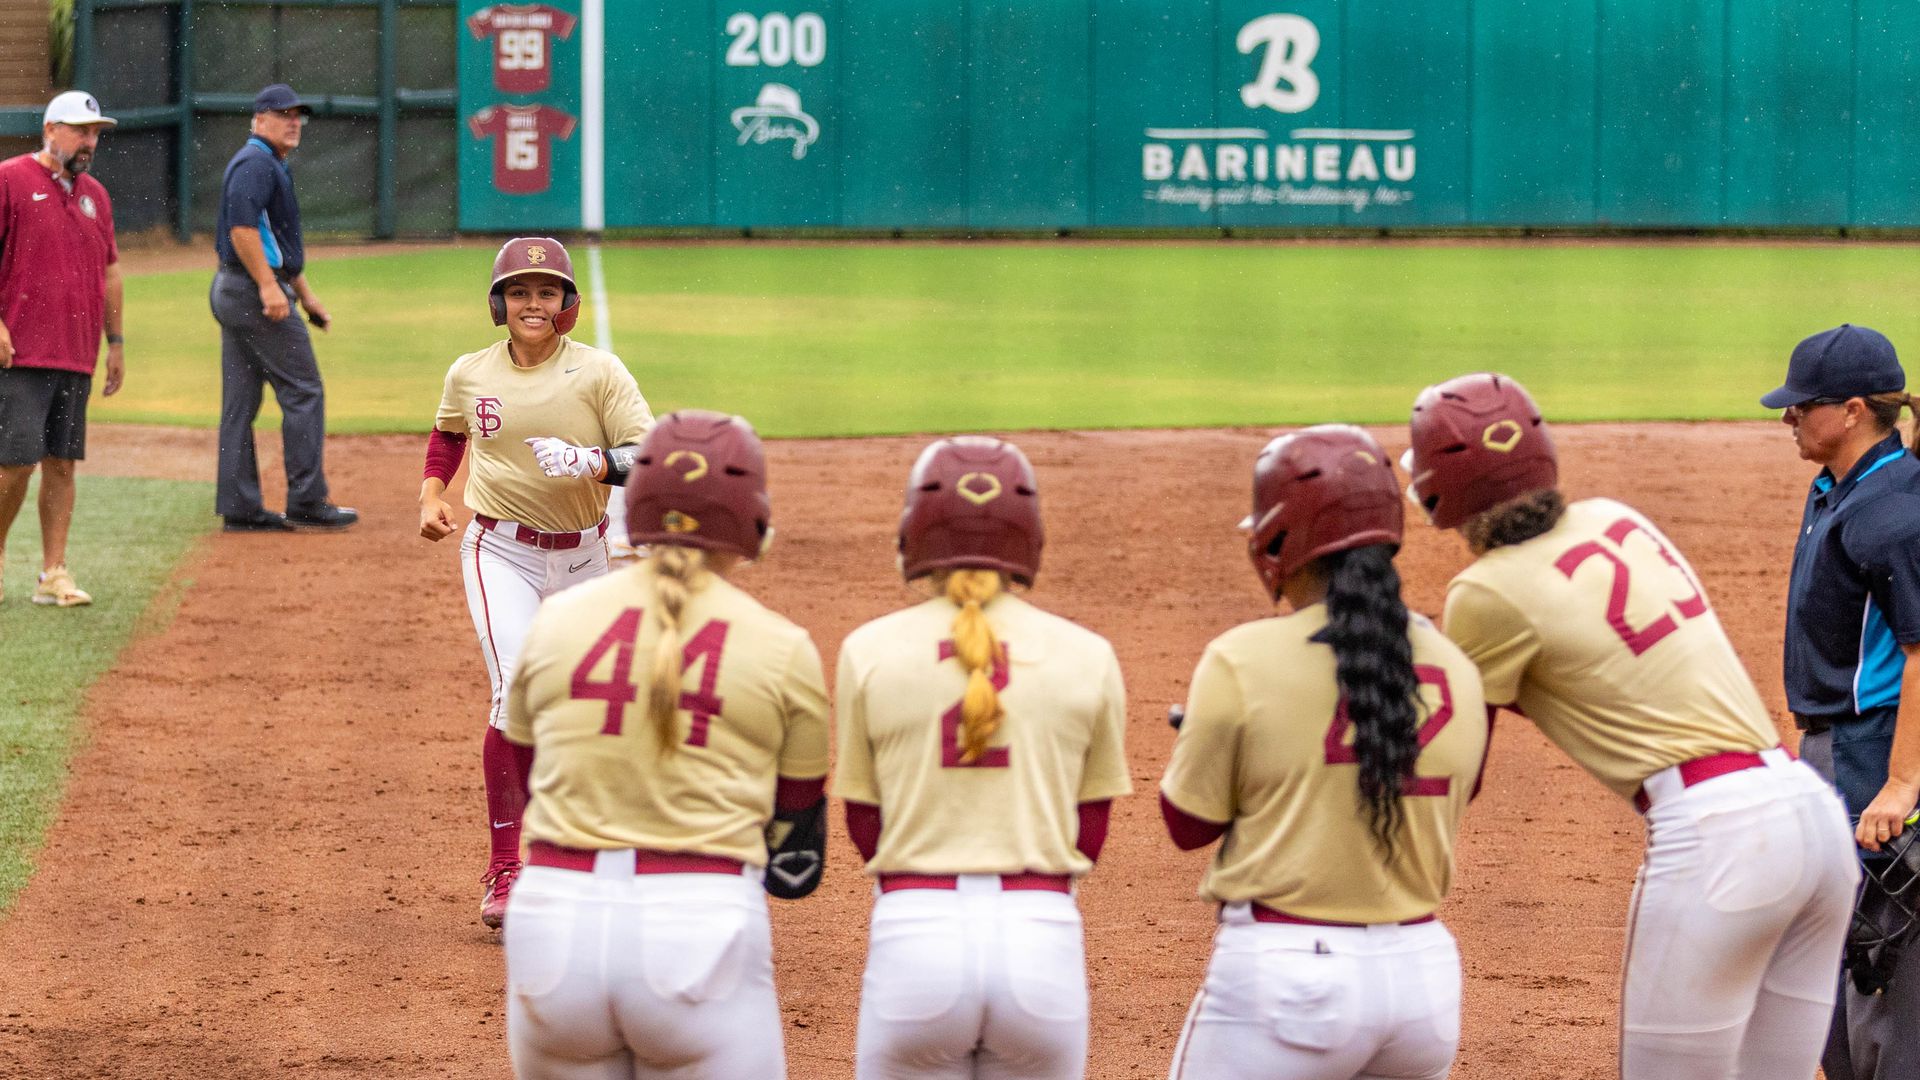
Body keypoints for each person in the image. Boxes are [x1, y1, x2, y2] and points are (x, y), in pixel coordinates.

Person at [1408, 371, 1859, 1078]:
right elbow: (1593, 662)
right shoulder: (1617, 518)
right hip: (1813, 818)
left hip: (1717, 840)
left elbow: (1452, 763)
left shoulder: (1483, 591)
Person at [500, 409, 828, 1078]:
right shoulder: (782, 646)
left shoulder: (556, 620)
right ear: (752, 518)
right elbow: (796, 842)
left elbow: (530, 767)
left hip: (553, 928)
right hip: (698, 930)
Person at [1160, 425, 1490, 1080]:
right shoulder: (1457, 667)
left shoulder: (1243, 658)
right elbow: (1460, 785)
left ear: (1280, 540)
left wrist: (1231, 741)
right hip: (1423, 988)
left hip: (1288, 981)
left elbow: (1186, 827)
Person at [835, 435, 1132, 1080]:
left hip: (915, 936)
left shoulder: (868, 650)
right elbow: (1092, 830)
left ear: (915, 531)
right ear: (1030, 535)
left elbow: (864, 824)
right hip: (1041, 938)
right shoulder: (1088, 653)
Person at [418, 235, 653, 929]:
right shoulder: (470, 371)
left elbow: (650, 456)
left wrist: (591, 461)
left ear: (566, 304)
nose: (532, 303)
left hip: (585, 558)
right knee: (517, 687)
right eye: (519, 292)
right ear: (500, 302)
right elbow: (448, 433)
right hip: (502, 552)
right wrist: (432, 493)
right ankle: (506, 865)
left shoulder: (601, 374)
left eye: (546, 292)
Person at [1760, 324, 1920, 1080]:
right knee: (1826, 944)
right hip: (1826, 747)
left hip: (1870, 748)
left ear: (1853, 409)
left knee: (1882, 946)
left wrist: (1902, 780)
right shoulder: (1839, 489)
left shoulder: (1892, 510)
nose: (1788, 417)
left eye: (1802, 406)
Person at [210, 83, 355, 532]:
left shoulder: (267, 162)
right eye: (282, 113)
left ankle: (239, 505)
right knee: (303, 390)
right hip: (253, 294)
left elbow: (275, 240)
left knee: (240, 401)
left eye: (298, 114)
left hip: (237, 291)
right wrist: (271, 288)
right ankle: (308, 500)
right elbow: (242, 231)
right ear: (259, 119)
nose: (293, 121)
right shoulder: (256, 163)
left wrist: (305, 295)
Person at [0, 90, 124, 607]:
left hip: (76, 352)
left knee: (62, 465)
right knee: (14, 464)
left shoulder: (95, 193)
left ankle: (54, 573)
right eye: (80, 130)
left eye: (95, 132)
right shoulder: (8, 179)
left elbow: (111, 270)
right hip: (22, 352)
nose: (89, 140)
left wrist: (115, 341)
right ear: (49, 129)